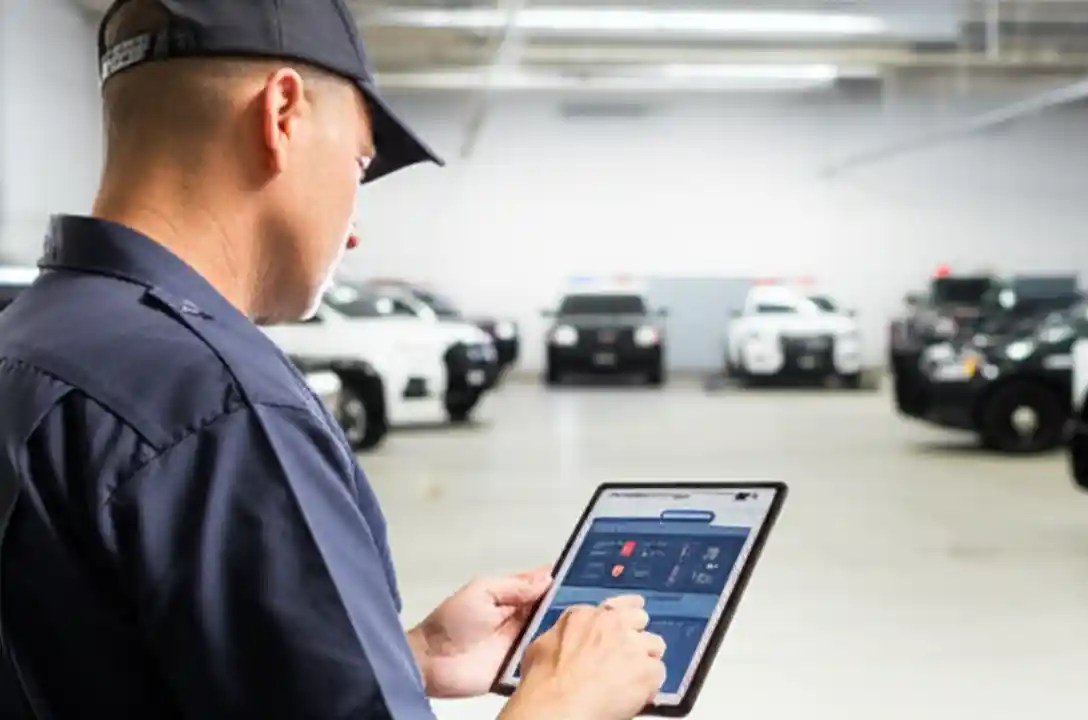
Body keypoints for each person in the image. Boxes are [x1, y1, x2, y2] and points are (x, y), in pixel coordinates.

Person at [0, 0, 666, 718]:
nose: (354, 234)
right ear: (282, 113)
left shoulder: (29, 343)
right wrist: (566, 701)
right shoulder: (219, 407)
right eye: (358, 163)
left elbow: (95, 664)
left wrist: (404, 657)